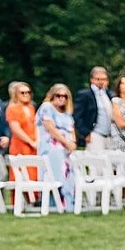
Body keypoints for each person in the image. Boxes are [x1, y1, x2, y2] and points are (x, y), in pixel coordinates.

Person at [35, 83, 77, 212]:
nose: (62, 98)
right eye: (58, 95)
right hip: (51, 148)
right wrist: (66, 142)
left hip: (66, 150)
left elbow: (71, 130)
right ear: (52, 95)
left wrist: (72, 143)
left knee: (68, 176)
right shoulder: (47, 107)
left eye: (65, 96)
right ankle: (53, 204)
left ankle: (67, 205)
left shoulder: (67, 114)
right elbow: (50, 128)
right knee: (55, 175)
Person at [74, 66, 116, 151]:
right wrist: (85, 133)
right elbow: (77, 116)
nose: (101, 82)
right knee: (97, 161)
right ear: (92, 79)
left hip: (110, 134)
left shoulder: (110, 94)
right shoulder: (85, 94)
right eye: (98, 79)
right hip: (95, 133)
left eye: (104, 79)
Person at [5, 82, 38, 179]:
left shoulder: (31, 107)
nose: (26, 95)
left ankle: (34, 194)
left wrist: (36, 141)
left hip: (34, 145)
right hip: (20, 145)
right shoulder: (12, 108)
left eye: (28, 92)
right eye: (22, 93)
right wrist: (30, 142)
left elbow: (36, 125)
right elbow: (16, 129)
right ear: (16, 94)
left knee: (34, 173)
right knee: (21, 174)